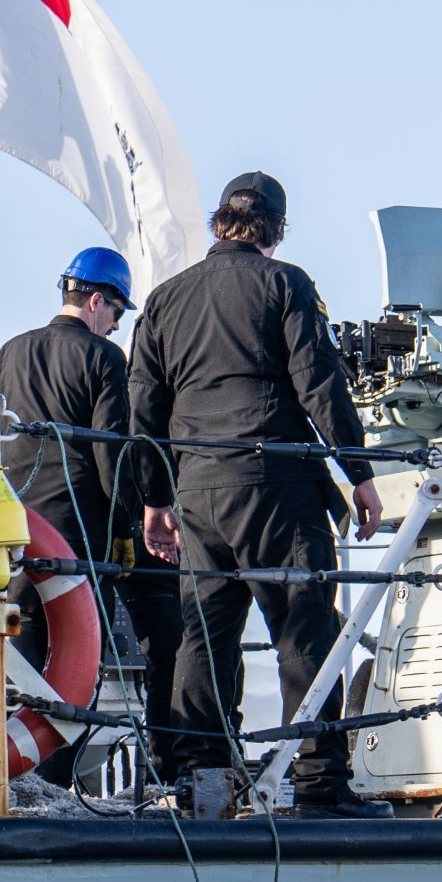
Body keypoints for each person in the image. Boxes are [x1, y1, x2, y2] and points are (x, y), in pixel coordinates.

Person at [128, 172, 390, 818]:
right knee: (304, 629)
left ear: (221, 223)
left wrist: (155, 499)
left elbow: (143, 408)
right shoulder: (285, 284)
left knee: (204, 638)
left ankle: (205, 783)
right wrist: (358, 471)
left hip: (197, 487)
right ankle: (320, 783)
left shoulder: (164, 299)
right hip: (275, 482)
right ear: (274, 230)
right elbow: (319, 382)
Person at [0, 246, 181, 785]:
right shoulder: (103, 359)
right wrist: (132, 518)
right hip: (77, 529)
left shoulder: (11, 350)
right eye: (117, 314)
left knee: (24, 651)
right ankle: (53, 783)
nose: (117, 326)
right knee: (77, 658)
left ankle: (17, 776)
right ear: (97, 300)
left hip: (16, 526)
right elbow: (110, 452)